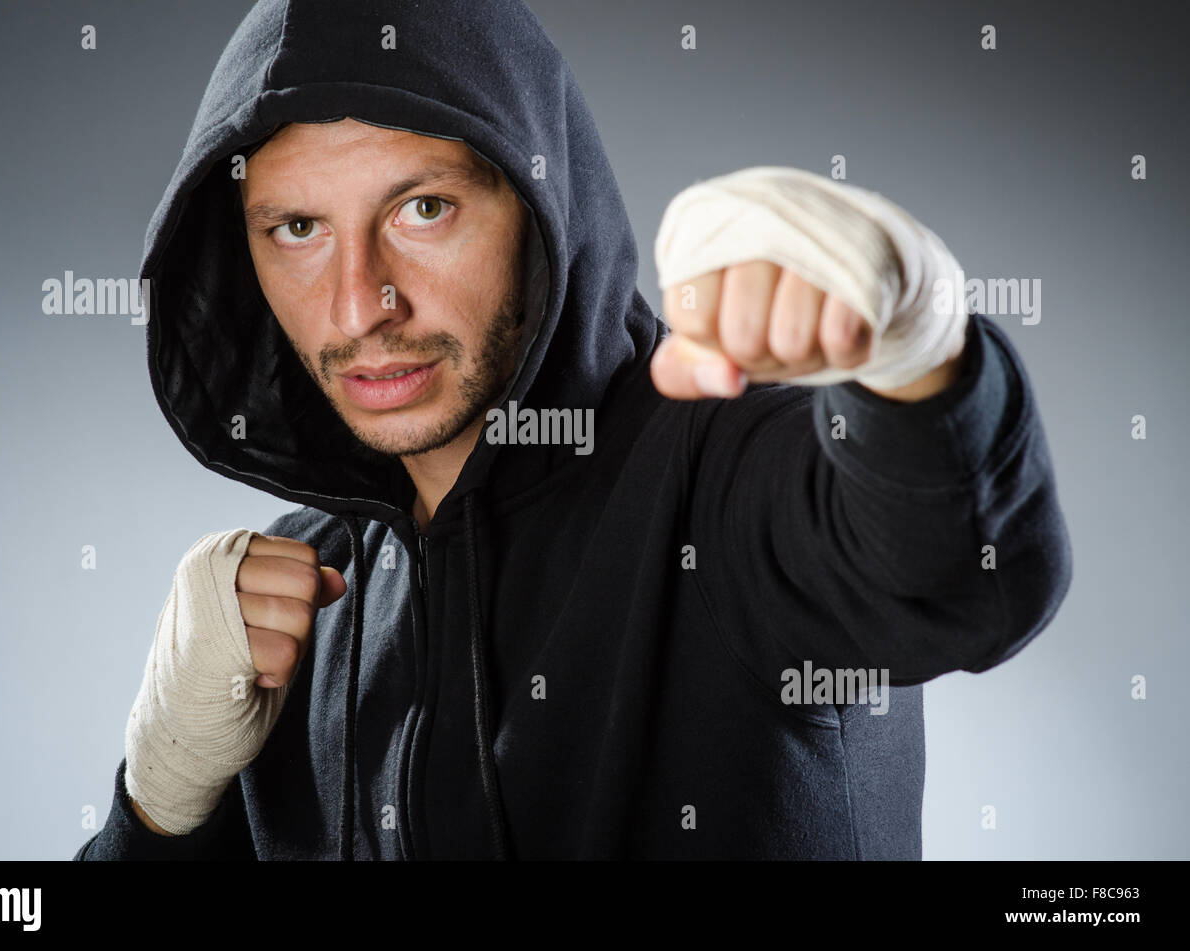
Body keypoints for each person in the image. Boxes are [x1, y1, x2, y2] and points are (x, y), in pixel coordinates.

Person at [75, 0, 1072, 860]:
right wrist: (159, 805)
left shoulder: (721, 471)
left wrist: (916, 355)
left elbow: (960, 580)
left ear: (544, 202)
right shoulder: (300, 585)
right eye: (296, 229)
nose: (356, 308)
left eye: (423, 209)